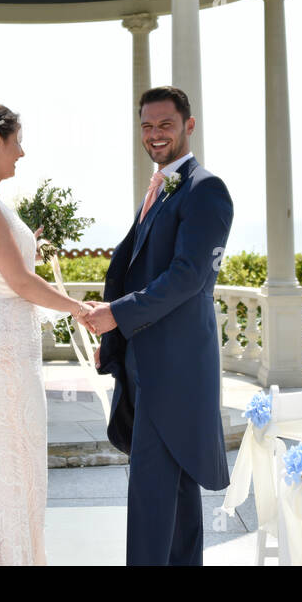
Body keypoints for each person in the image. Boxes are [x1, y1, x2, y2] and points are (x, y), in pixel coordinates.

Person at [83, 85, 234, 565]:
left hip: (177, 368)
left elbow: (189, 276)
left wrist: (117, 315)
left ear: (189, 125)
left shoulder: (205, 189)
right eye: (147, 126)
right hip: (147, 361)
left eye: (165, 124)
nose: (155, 134)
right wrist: (115, 336)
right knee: (176, 492)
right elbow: (139, 270)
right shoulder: (161, 186)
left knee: (151, 492)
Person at [0, 103, 92, 565]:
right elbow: (20, 284)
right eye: (16, 142)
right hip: (4, 356)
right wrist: (78, 308)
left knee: (16, 472)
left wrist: (25, 244)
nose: (21, 153)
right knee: (11, 474)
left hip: (6, 349)